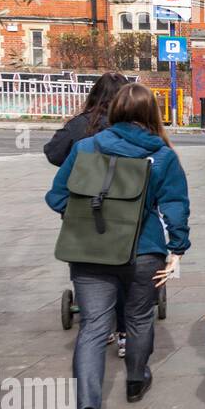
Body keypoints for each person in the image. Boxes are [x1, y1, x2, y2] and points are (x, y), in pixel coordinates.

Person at [46, 83, 189, 409]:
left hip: (90, 252)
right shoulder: (162, 155)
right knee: (139, 317)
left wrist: (89, 220)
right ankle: (136, 379)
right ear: (151, 114)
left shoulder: (85, 147)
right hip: (144, 253)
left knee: (92, 328)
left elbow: (57, 196)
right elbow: (174, 205)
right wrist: (177, 249)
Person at [45, 72, 134, 356]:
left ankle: (99, 325)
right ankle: (124, 333)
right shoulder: (134, 128)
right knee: (122, 272)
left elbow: (53, 154)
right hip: (124, 212)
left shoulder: (79, 126)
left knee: (87, 267)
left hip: (83, 211)